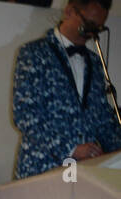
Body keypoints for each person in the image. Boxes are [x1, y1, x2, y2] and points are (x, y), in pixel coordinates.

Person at [13, 0, 121, 178]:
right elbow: (26, 117)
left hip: (85, 173)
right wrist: (71, 148)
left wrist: (116, 147)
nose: (91, 33)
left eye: (98, 28)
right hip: (43, 169)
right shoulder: (32, 53)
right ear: (69, 11)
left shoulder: (95, 62)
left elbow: (102, 117)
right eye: (89, 25)